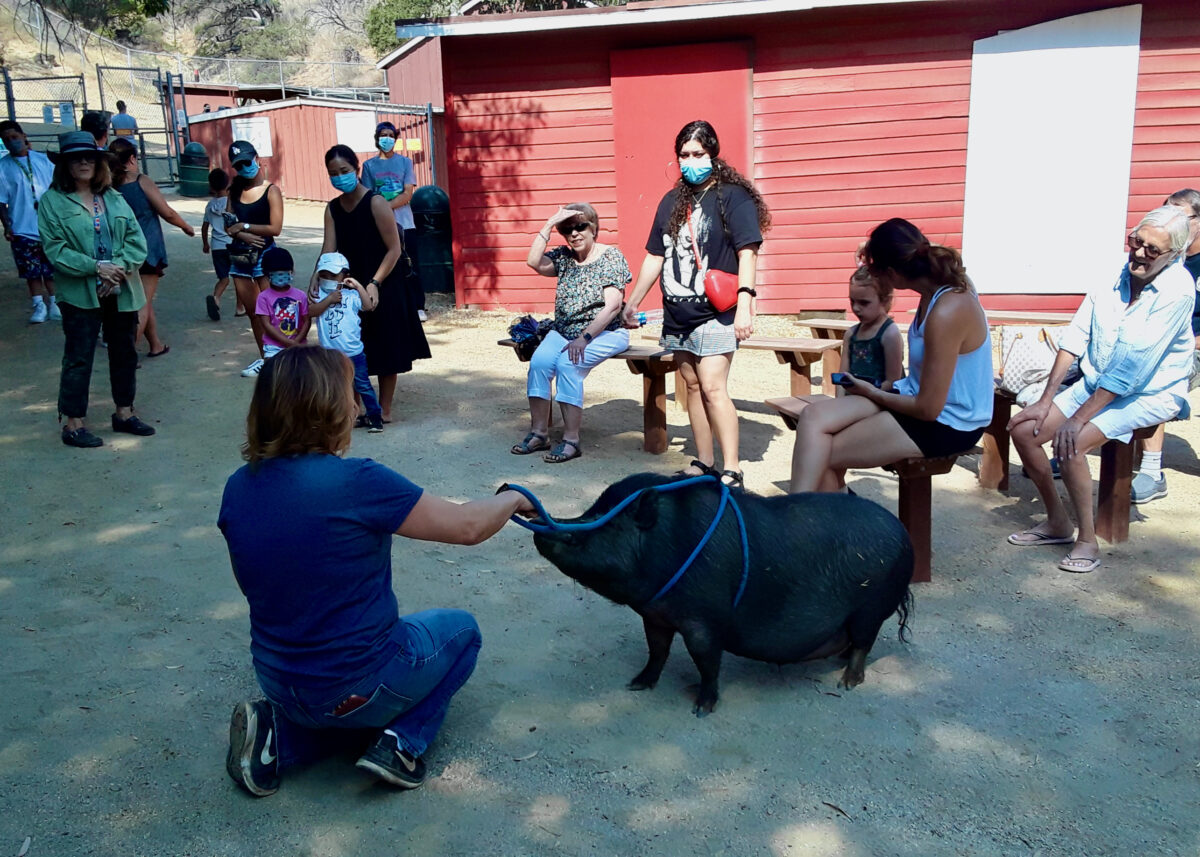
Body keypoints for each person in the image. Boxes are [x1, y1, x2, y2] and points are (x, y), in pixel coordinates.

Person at [218, 345, 536, 796]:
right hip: (359, 684)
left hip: (278, 680)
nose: (355, 403)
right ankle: (401, 744)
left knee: (332, 699)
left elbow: (255, 584)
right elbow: (467, 527)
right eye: (348, 392)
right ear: (327, 405)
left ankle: (277, 738)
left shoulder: (237, 486)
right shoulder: (358, 482)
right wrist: (515, 499)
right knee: (462, 631)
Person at [1007, 206, 1195, 573]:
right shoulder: (1114, 276)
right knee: (1023, 430)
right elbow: (1075, 337)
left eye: (1152, 250)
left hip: (1150, 392)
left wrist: (1076, 420)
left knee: (1072, 442)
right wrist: (1047, 400)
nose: (1139, 253)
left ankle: (1087, 541)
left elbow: (1132, 370)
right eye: (1135, 242)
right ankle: (1058, 522)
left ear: (1173, 256)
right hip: (1098, 381)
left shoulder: (1178, 291)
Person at [788, 218, 993, 494]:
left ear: (893, 273)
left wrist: (871, 393)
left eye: (875, 269)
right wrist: (870, 247)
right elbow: (914, 246)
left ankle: (800, 521)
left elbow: (928, 409)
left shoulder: (947, 311)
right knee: (812, 417)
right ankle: (807, 517)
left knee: (820, 455)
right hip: (910, 395)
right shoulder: (946, 274)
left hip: (949, 422)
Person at [620, 120, 769, 487]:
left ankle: (732, 467)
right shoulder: (672, 202)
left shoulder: (733, 197)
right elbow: (655, 256)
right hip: (677, 313)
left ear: (712, 154)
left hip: (717, 311)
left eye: (698, 154)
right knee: (691, 386)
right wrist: (632, 301)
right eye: (684, 155)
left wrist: (746, 302)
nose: (690, 161)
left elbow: (747, 251)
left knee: (714, 385)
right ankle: (704, 461)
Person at [37, 130, 153, 448]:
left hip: (122, 289)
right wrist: (96, 268)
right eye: (76, 158)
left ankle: (124, 413)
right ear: (65, 165)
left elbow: (136, 240)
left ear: (100, 163)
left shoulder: (113, 196)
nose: (84, 162)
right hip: (79, 294)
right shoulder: (52, 202)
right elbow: (55, 249)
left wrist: (116, 270)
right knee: (79, 356)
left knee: (124, 353)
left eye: (89, 157)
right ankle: (74, 424)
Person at [509, 203, 630, 462]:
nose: (574, 233)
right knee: (540, 363)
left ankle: (571, 440)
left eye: (580, 226)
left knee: (568, 364)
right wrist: (549, 223)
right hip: (564, 330)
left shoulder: (611, 256)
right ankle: (539, 433)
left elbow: (613, 306)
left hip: (605, 332)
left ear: (594, 228)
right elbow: (533, 262)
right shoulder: (563, 257)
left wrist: (584, 338)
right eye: (567, 229)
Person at [318, 144, 429, 423]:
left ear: (356, 169)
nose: (339, 177)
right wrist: (316, 278)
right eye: (333, 173)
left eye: (344, 171)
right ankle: (354, 406)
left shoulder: (376, 202)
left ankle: (385, 408)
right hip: (348, 284)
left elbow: (394, 249)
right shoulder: (332, 209)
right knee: (352, 343)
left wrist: (374, 283)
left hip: (384, 279)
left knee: (386, 342)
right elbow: (328, 251)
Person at [1130, 188, 1200, 504]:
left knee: (1154, 374)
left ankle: (1152, 472)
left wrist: (1179, 342)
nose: (1170, 223)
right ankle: (1072, 449)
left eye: (1180, 217)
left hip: (1192, 349)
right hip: (1146, 339)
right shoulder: (1158, 252)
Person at [109, 137, 195, 358]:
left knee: (141, 298)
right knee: (143, 303)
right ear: (131, 158)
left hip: (121, 251)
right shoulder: (140, 180)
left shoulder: (109, 186)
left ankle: (155, 344)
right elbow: (167, 212)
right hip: (147, 250)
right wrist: (186, 227)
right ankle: (129, 355)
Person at [226, 140, 284, 378]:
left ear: (257, 159)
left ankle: (279, 357)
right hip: (240, 257)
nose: (245, 168)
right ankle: (265, 358)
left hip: (265, 256)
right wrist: (243, 234)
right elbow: (228, 225)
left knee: (272, 310)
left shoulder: (271, 190)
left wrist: (245, 226)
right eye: (239, 165)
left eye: (247, 162)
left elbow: (276, 228)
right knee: (253, 312)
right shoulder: (235, 190)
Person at [309, 251, 384, 432]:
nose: (328, 279)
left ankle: (375, 418)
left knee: (362, 385)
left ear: (344, 276)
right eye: (323, 276)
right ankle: (339, 420)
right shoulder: (318, 295)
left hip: (354, 352)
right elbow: (311, 312)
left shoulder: (351, 296)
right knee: (334, 388)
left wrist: (358, 286)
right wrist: (328, 300)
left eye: (333, 276)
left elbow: (368, 306)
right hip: (330, 354)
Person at [359, 121, 425, 321]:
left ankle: (417, 306)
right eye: (383, 135)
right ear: (377, 138)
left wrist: (385, 207)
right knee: (384, 261)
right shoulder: (369, 166)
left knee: (410, 263)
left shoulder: (404, 162)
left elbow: (407, 193)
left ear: (395, 139)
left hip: (404, 222)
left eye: (390, 135)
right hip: (379, 224)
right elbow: (368, 194)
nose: (386, 139)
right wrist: (379, 210)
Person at [0, 120, 58, 324]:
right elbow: (1, 202)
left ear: (24, 137)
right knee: (31, 270)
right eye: (6, 140)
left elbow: (56, 189)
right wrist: (7, 225)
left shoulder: (43, 161)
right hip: (22, 227)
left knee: (50, 267)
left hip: (48, 225)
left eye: (14, 137)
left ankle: (54, 302)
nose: (12, 142)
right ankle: (38, 305)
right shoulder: (3, 168)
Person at [841, 265, 906, 390]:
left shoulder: (889, 334)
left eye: (864, 303)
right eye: (852, 301)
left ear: (885, 300)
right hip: (855, 398)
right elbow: (843, 376)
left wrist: (867, 393)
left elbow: (893, 382)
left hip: (883, 398)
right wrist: (839, 400)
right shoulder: (851, 334)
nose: (856, 308)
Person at [255, 246, 308, 361]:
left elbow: (307, 320)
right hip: (273, 346)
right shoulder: (263, 297)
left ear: (291, 272)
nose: (281, 276)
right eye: (276, 273)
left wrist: (297, 341)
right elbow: (266, 324)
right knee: (274, 373)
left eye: (284, 272)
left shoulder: (301, 296)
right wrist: (288, 342)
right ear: (267, 275)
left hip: (299, 345)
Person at [201, 168, 232, 321]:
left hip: (217, 246)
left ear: (211, 186)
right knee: (240, 275)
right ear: (228, 184)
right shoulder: (231, 202)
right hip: (232, 244)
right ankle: (242, 306)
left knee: (224, 278)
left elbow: (204, 226)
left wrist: (205, 244)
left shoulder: (210, 205)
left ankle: (216, 299)